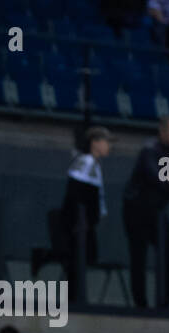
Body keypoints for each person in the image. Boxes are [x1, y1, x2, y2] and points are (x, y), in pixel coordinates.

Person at [123, 115, 169, 308]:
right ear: (162, 132)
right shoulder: (150, 149)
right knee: (139, 256)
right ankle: (140, 305)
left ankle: (164, 304)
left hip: (158, 213)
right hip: (136, 210)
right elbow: (155, 174)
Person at [60, 126, 110, 300]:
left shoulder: (94, 164)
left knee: (83, 260)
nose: (108, 146)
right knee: (77, 262)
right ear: (94, 143)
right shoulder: (86, 162)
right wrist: (82, 220)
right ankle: (75, 298)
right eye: (106, 142)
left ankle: (77, 296)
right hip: (78, 225)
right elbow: (77, 193)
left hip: (85, 224)